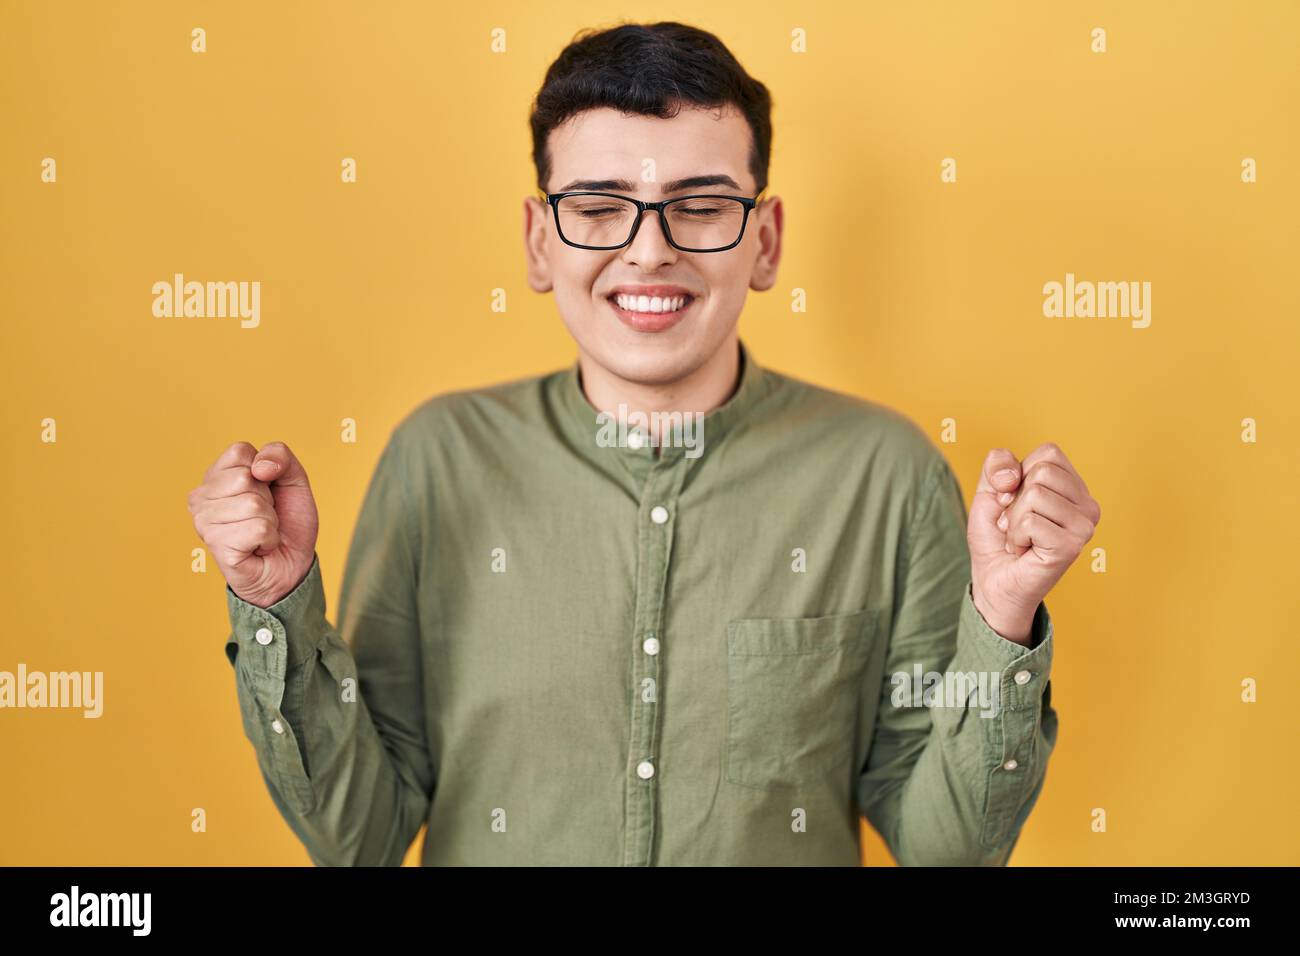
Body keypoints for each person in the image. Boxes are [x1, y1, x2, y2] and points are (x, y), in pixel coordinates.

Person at [188, 20, 1100, 866]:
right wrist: (276, 603)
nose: (650, 251)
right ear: (540, 243)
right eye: (598, 205)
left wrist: (1003, 614)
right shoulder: (438, 461)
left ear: (768, 241)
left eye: (700, 206)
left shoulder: (886, 476)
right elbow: (363, 836)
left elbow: (946, 850)